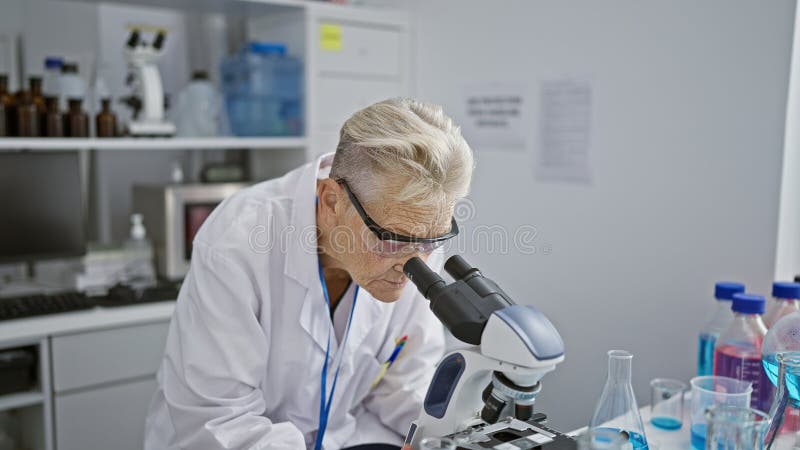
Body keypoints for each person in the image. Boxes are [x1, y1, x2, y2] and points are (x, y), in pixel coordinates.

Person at [144, 98, 475, 449]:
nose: (414, 265)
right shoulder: (237, 244)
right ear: (332, 201)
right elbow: (220, 423)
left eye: (433, 240)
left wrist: (451, 432)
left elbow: (404, 385)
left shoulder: (416, 235)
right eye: (392, 240)